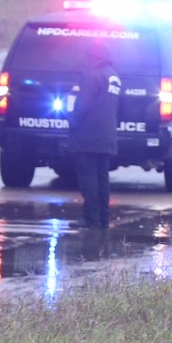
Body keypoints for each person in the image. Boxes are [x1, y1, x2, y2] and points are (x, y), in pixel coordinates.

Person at [69, 41, 122, 228]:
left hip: (87, 138)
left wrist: (71, 122)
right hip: (106, 137)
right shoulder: (113, 76)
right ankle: (103, 217)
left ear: (93, 57)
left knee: (88, 179)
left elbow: (82, 107)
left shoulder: (93, 76)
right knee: (102, 179)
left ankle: (91, 218)